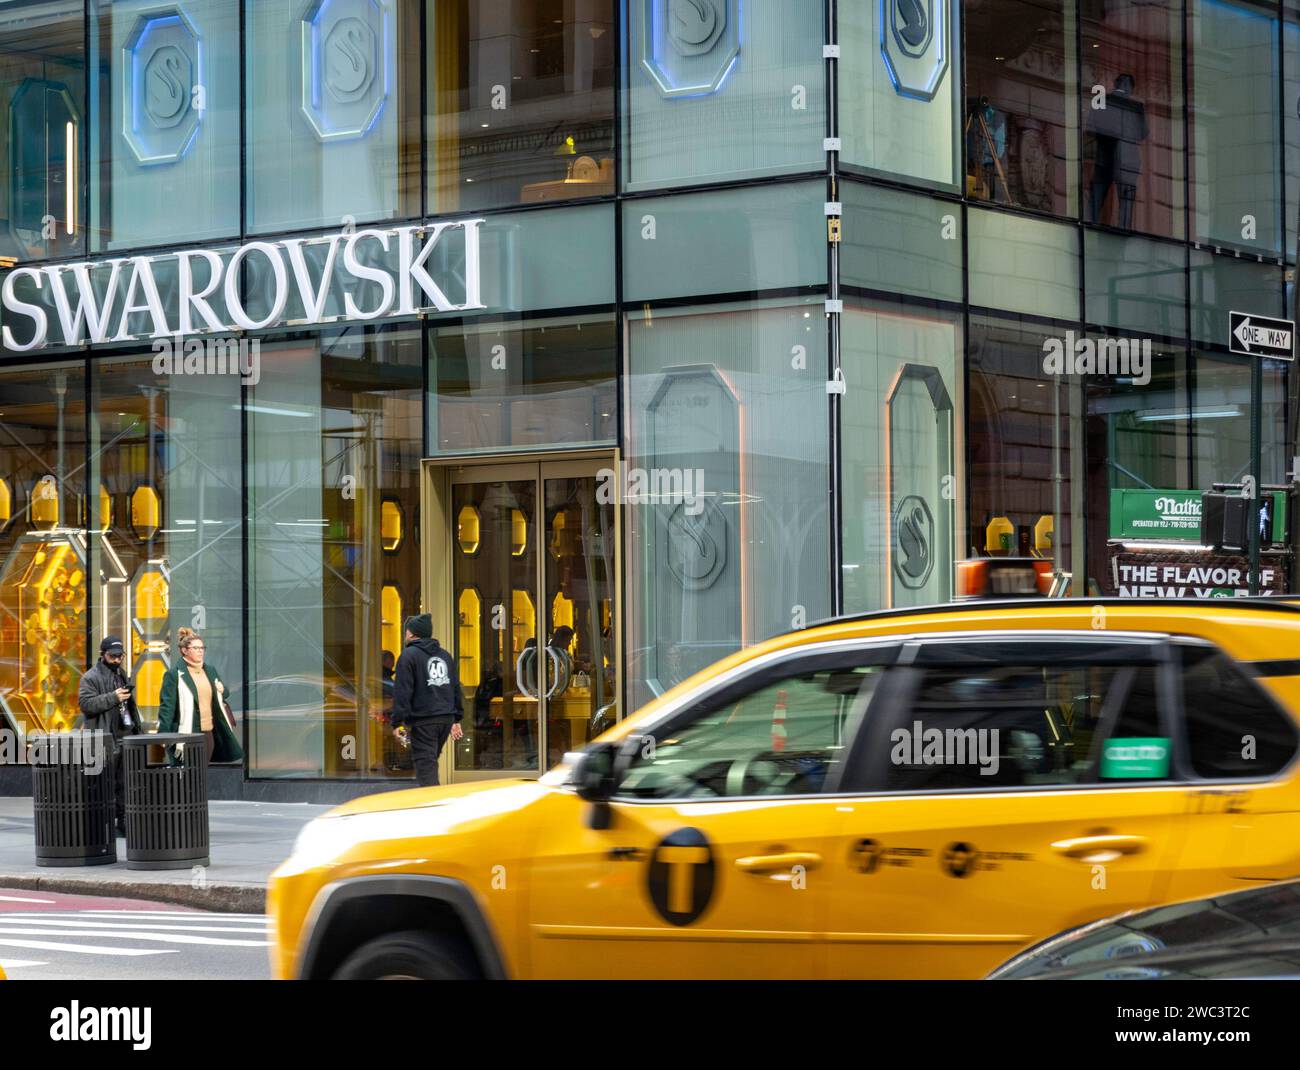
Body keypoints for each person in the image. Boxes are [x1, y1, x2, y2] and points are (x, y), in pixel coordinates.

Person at [391, 614, 464, 787]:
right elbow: (455, 688)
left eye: (406, 630)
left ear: (411, 633)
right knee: (430, 762)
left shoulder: (408, 656)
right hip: (445, 719)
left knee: (426, 767)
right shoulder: (445, 655)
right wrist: (457, 717)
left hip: (424, 720)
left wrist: (397, 722)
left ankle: (434, 807)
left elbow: (403, 691)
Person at [77, 636, 138, 836]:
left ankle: (123, 821)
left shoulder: (121, 673)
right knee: (105, 784)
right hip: (105, 738)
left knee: (125, 783)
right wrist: (113, 697)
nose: (117, 659)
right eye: (113, 656)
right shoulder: (91, 677)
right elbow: (86, 705)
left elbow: (130, 706)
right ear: (102, 655)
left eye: (120, 656)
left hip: (125, 734)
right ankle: (103, 824)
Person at [157, 627, 244, 767]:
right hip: (187, 733)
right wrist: (163, 734)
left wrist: (223, 690)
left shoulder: (210, 670)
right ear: (184, 650)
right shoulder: (174, 674)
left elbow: (223, 695)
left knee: (204, 774)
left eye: (202, 648)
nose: (200, 651)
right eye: (195, 648)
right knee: (190, 775)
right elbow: (167, 706)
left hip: (209, 732)